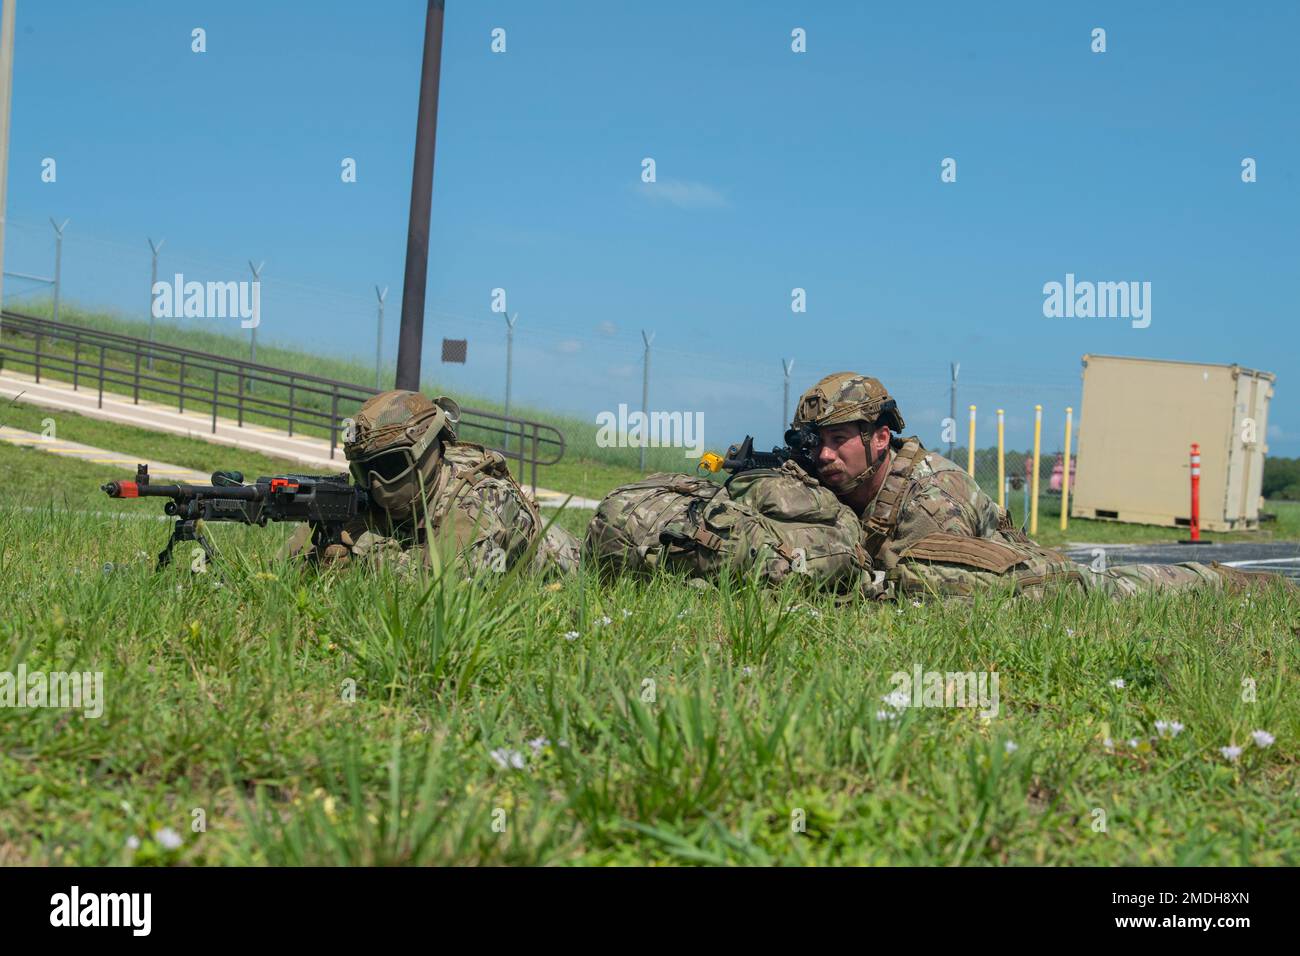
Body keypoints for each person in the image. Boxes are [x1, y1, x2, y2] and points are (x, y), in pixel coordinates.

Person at [791, 371, 1292, 601]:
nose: (826, 455)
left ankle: (1244, 583)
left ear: (880, 438)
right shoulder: (835, 478)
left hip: (1035, 583)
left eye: (839, 440)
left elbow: (946, 592)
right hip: (1007, 576)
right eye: (819, 442)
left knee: (1137, 588)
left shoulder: (930, 496)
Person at [285, 389, 579, 575]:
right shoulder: (368, 496)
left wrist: (362, 554)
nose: (375, 484)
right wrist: (321, 545)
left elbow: (441, 583)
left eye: (389, 465)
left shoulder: (479, 500)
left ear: (426, 453)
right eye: (364, 471)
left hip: (564, 565)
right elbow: (285, 564)